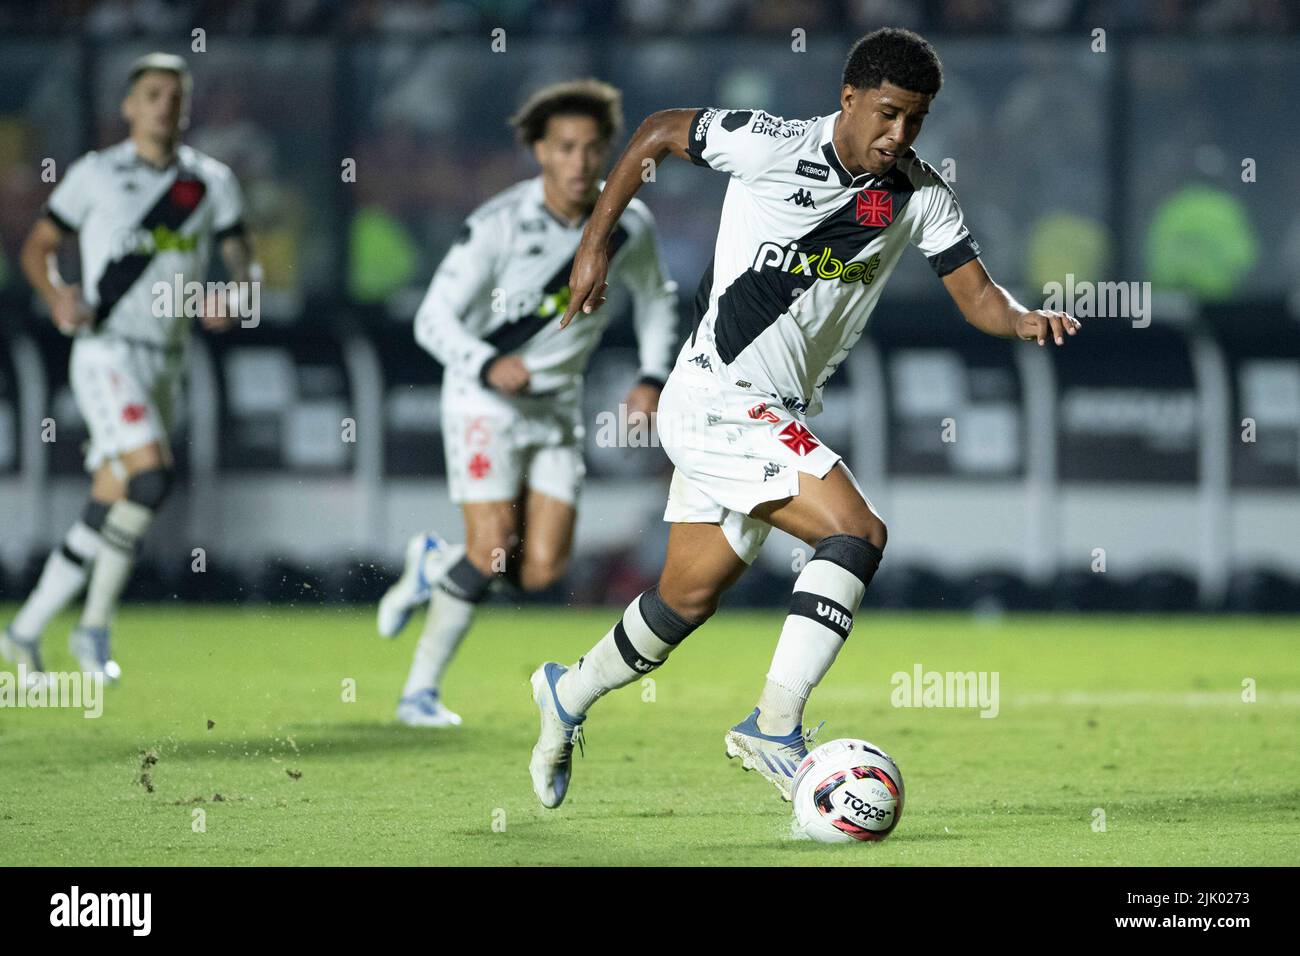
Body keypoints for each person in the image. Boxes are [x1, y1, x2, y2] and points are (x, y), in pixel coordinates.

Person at [527, 28, 1080, 808]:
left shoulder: (918, 196)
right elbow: (656, 131)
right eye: (887, 113)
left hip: (764, 408)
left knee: (685, 599)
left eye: (916, 120)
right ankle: (774, 724)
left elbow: (979, 296)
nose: (899, 135)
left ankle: (567, 694)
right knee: (856, 531)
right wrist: (594, 244)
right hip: (720, 393)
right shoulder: (769, 144)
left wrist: (1021, 318)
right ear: (849, 98)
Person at [375, 79, 678, 727]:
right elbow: (432, 319)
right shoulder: (496, 225)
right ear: (540, 150)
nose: (579, 163)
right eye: (565, 148)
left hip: (557, 409)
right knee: (490, 549)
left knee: (539, 571)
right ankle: (418, 693)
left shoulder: (628, 225)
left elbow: (656, 298)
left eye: (593, 149)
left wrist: (651, 376)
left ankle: (434, 561)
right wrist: (488, 361)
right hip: (483, 402)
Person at [1, 53, 253, 684]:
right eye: (153, 93)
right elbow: (39, 246)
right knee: (150, 479)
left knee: (108, 502)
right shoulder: (95, 174)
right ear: (129, 107)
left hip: (170, 359)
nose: (165, 103)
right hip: (108, 350)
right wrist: (58, 292)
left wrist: (238, 294)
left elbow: (244, 262)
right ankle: (92, 629)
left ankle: (27, 630)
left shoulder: (212, 181)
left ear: (187, 106)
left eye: (176, 94)